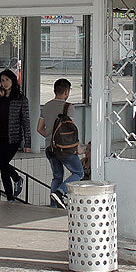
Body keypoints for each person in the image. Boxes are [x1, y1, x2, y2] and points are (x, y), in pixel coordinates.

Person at [0, 68, 31, 201]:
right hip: (0, 135)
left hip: (14, 138)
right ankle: (10, 197)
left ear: (13, 81)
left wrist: (28, 143)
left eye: (7, 80)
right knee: (2, 167)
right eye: (2, 80)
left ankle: (17, 178)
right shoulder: (0, 96)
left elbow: (26, 121)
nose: (4, 83)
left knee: (3, 163)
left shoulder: (21, 99)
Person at [37, 78, 83, 208]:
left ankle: (54, 206)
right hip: (64, 149)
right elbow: (70, 130)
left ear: (54, 90)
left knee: (57, 176)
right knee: (79, 173)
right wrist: (77, 147)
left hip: (50, 148)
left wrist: (51, 138)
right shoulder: (68, 107)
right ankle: (61, 191)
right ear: (67, 92)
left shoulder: (46, 106)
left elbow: (39, 128)